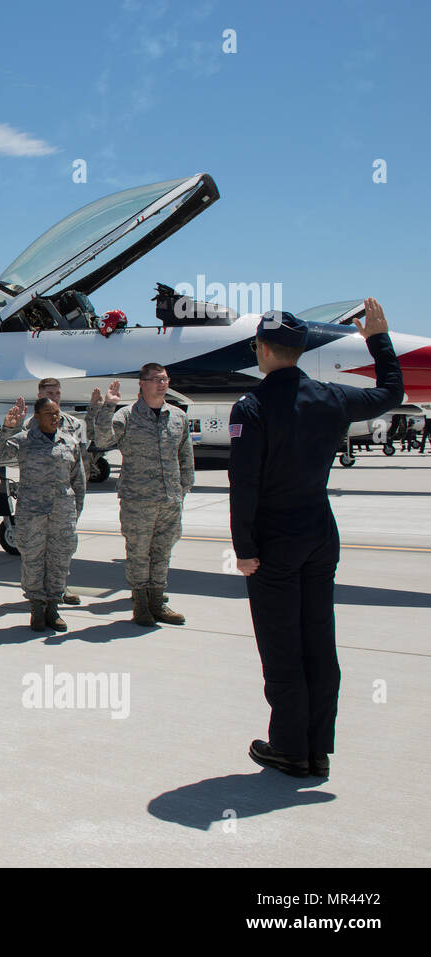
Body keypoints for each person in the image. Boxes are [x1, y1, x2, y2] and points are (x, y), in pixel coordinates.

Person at [231, 301, 402, 778]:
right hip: (320, 534)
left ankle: (289, 748)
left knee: (282, 646)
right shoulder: (331, 398)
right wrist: (378, 340)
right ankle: (316, 748)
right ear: (300, 349)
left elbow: (244, 484)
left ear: (263, 350)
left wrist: (244, 548)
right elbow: (391, 391)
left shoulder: (252, 407)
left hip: (274, 542)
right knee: (319, 641)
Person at [89, 365, 193, 626]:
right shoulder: (126, 416)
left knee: (162, 553)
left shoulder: (178, 416)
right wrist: (108, 407)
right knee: (138, 553)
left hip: (170, 499)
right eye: (156, 379)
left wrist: (183, 490)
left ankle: (158, 602)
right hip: (138, 500)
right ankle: (141, 605)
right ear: (142, 384)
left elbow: (185, 456)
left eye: (165, 379)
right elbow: (102, 440)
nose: (162, 384)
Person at [0, 397, 85, 631]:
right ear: (37, 416)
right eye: (49, 414)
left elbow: (78, 479)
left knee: (60, 561)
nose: (56, 418)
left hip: (62, 514)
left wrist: (76, 509)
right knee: (32, 561)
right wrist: (7, 428)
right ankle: (36, 609)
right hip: (32, 515)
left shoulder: (69, 442)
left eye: (57, 414)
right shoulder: (24, 440)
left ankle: (53, 607)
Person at [23, 378, 90, 605]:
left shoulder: (75, 425)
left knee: (61, 549)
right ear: (40, 395)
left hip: (63, 497)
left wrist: (77, 503)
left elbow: (79, 461)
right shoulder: (29, 426)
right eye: (49, 393)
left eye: (57, 393)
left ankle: (60, 589)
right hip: (37, 502)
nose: (55, 397)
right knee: (37, 552)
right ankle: (39, 597)